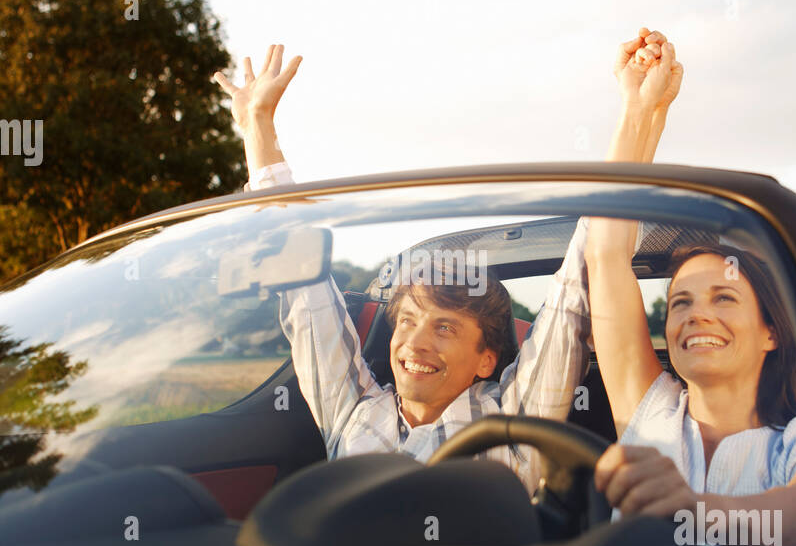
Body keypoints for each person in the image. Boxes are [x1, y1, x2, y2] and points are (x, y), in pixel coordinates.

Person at [214, 31, 672, 496]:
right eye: (408, 320)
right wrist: (258, 129)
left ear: (487, 359)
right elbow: (303, 287)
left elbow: (578, 279)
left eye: (445, 327)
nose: (414, 342)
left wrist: (638, 114)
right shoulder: (353, 410)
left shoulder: (512, 427)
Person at [584, 41, 796, 546]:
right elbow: (605, 252)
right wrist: (641, 108)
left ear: (771, 332)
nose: (697, 314)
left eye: (724, 297)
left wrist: (691, 510)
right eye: (680, 303)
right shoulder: (651, 413)